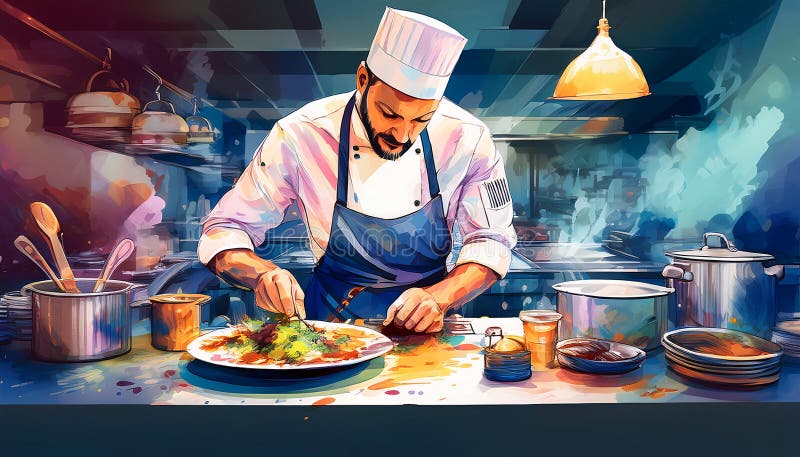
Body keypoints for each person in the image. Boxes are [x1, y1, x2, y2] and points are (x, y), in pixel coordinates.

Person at [198, 7, 516, 333]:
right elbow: (223, 229)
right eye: (389, 114)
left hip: (428, 331)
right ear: (363, 80)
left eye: (421, 121)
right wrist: (261, 273)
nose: (402, 135)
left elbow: (492, 242)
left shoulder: (470, 139)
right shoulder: (298, 135)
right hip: (330, 331)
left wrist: (440, 297)